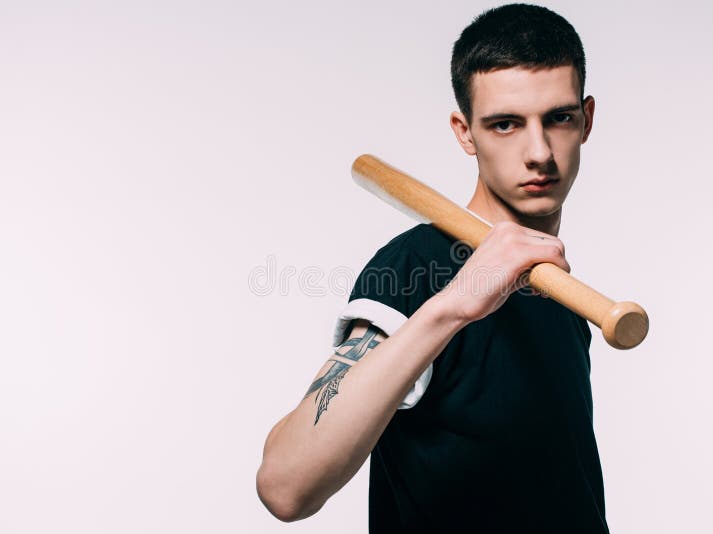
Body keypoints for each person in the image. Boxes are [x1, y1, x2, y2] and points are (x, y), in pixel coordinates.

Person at [257, 4, 607, 532]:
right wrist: (454, 305)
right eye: (506, 124)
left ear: (586, 120)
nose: (539, 152)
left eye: (558, 118)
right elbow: (285, 486)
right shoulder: (417, 268)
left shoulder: (560, 295)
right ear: (465, 133)